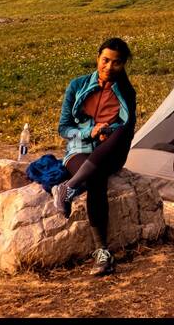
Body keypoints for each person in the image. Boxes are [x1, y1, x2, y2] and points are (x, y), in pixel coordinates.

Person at [50, 37, 137, 276]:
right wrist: (90, 131)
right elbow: (64, 128)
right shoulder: (77, 85)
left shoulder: (126, 92)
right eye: (105, 60)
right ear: (97, 58)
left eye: (116, 63)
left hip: (111, 151)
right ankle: (103, 254)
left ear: (123, 65)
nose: (109, 67)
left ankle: (67, 188)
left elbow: (127, 130)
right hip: (79, 150)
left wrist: (106, 132)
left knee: (123, 129)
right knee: (97, 179)